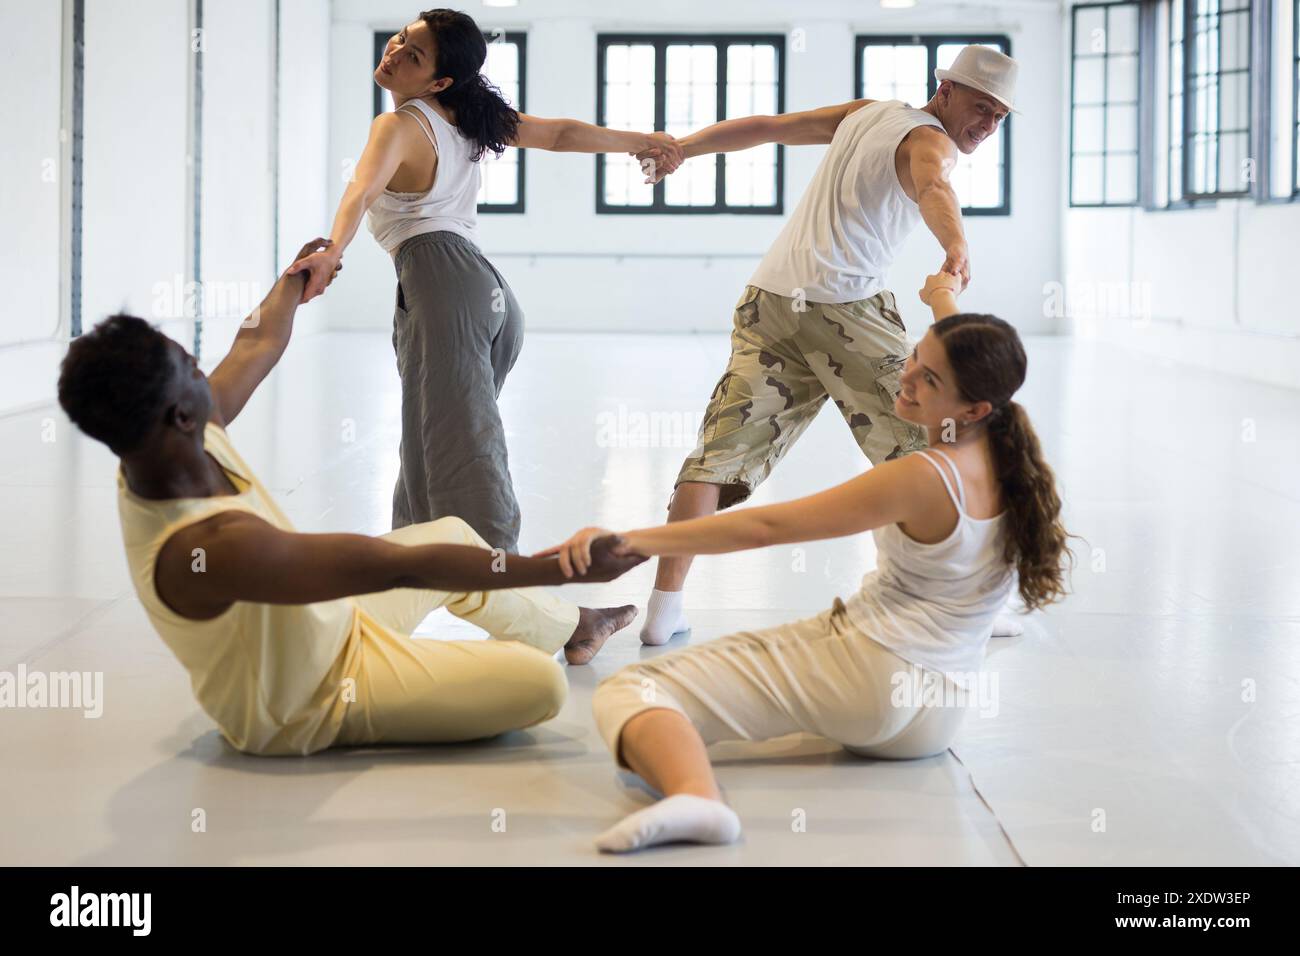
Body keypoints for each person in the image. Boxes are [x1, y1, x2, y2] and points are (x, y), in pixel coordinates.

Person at [541, 272, 1072, 852]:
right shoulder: (1008, 452)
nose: (907, 377)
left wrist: (630, 541)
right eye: (914, 358)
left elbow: (768, 526)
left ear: (973, 407)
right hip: (937, 717)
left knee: (635, 690)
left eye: (929, 378)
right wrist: (943, 290)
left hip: (872, 675)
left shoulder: (921, 476)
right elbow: (956, 336)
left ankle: (697, 798)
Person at [56, 239, 644, 758]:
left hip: (330, 624)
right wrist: (556, 566)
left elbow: (254, 343)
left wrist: (295, 281)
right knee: (538, 686)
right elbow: (391, 567)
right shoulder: (204, 546)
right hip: (309, 698)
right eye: (189, 366)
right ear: (180, 413)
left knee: (456, 533)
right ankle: (540, 626)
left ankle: (573, 626)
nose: (202, 371)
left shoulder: (172, 439)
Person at [630, 45, 1020, 646]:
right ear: (944, 92)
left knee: (718, 452)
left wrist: (686, 146)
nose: (987, 126)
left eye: (999, 116)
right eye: (980, 107)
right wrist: (957, 249)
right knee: (937, 443)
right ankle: (967, 602)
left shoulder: (866, 113)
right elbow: (934, 187)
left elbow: (767, 128)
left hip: (769, 302)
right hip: (845, 311)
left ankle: (663, 611)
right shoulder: (930, 141)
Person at [289, 8, 683, 553]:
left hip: (444, 287)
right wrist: (640, 139)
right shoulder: (463, 118)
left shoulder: (399, 124)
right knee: (431, 441)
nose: (395, 53)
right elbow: (561, 135)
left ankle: (512, 583)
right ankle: (410, 569)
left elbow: (360, 188)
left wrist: (333, 251)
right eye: (401, 39)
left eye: (415, 55)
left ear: (440, 80)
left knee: (460, 448)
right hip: (481, 294)